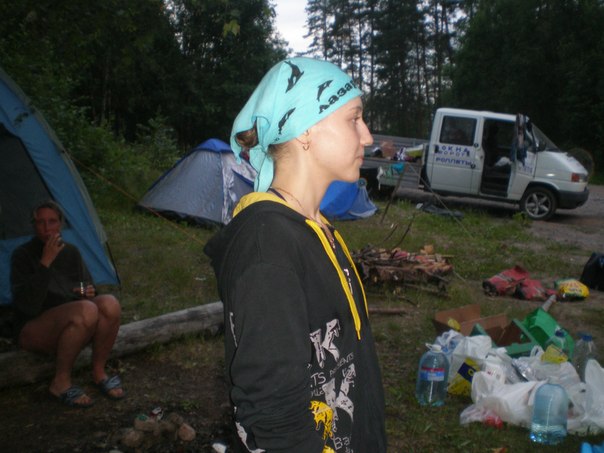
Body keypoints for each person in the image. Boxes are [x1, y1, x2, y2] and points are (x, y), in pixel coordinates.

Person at [204, 57, 387, 452]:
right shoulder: (268, 247)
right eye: (354, 119)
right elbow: (274, 416)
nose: (367, 136)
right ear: (305, 130)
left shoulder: (317, 229)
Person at [10, 200, 124, 408]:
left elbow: (84, 286)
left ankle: (99, 372)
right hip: (33, 327)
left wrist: (85, 291)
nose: (47, 228)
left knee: (110, 303)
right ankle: (60, 382)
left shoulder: (70, 252)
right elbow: (27, 306)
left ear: (60, 224)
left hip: (70, 320)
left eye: (52, 221)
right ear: (34, 226)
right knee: (87, 309)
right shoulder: (22, 255)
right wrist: (45, 262)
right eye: (41, 222)